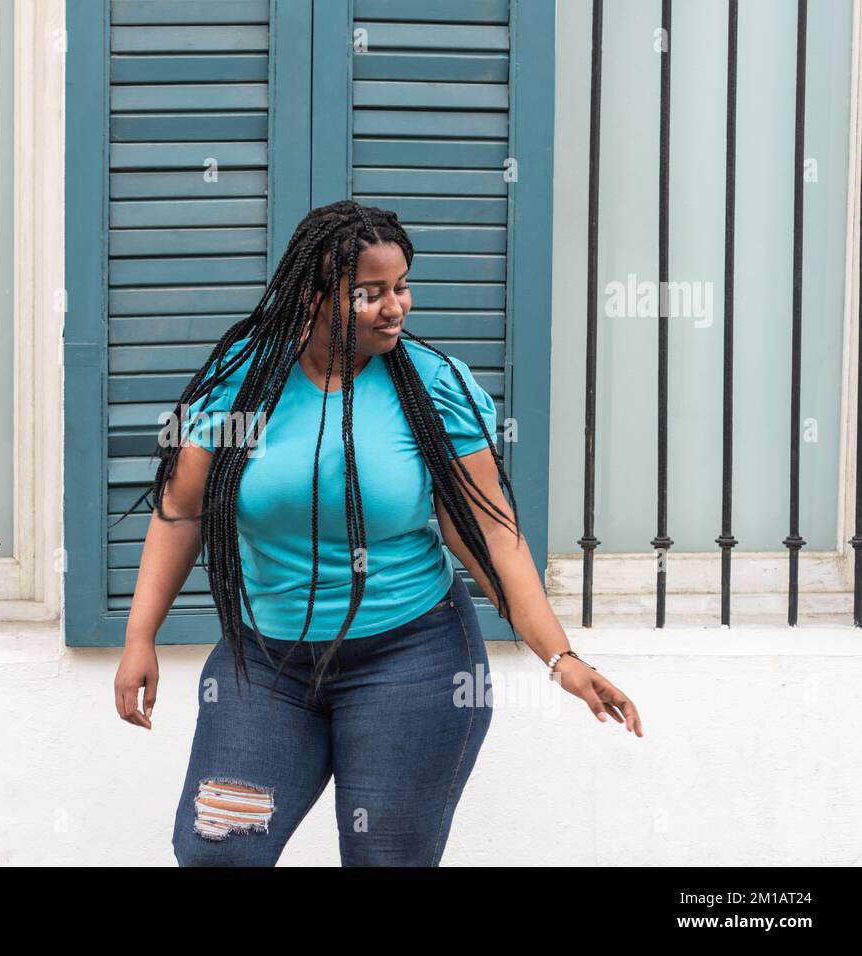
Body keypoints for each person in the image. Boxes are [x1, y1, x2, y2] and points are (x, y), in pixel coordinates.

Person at [113, 200, 643, 866]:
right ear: (314, 296)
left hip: (411, 661)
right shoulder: (241, 387)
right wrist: (139, 637)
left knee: (384, 859)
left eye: (401, 287)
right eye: (371, 293)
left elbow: (491, 533)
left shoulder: (432, 388)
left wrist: (560, 658)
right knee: (220, 851)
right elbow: (182, 510)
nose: (396, 308)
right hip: (268, 665)